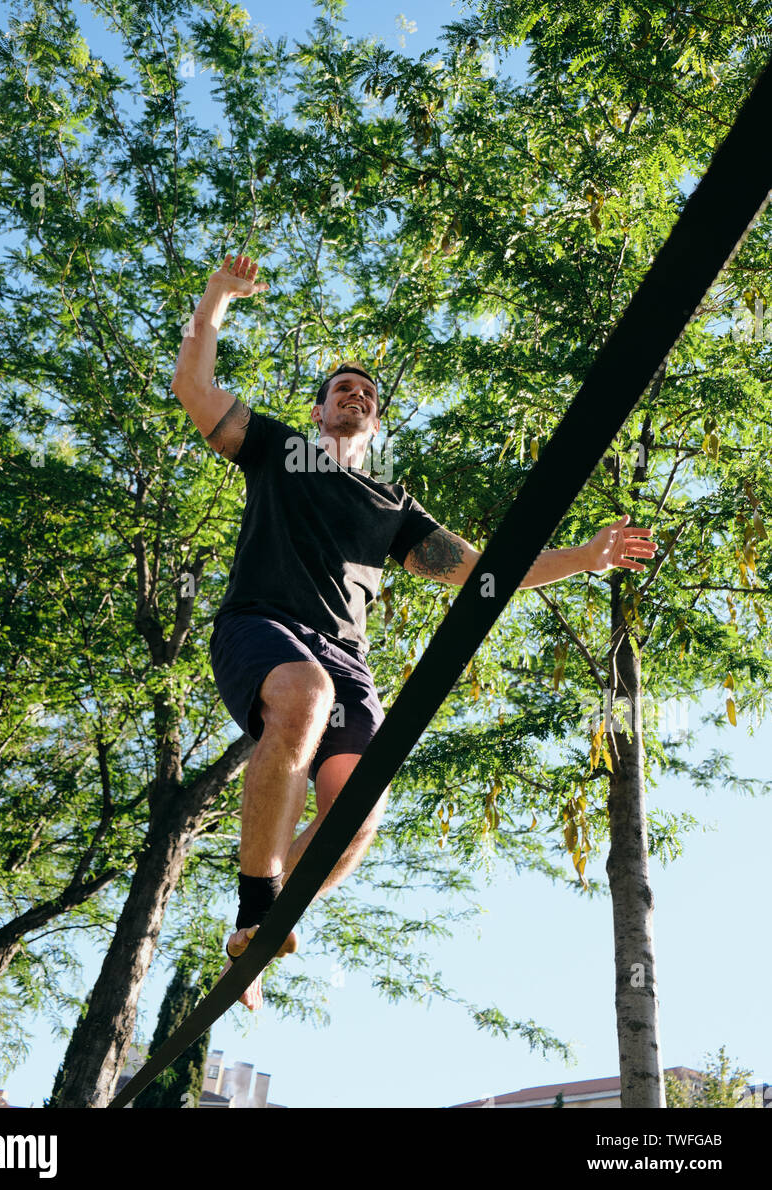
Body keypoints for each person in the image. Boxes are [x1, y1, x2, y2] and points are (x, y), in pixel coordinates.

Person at [171, 252, 656, 1010]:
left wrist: (584, 559)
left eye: (366, 393)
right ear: (318, 412)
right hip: (262, 629)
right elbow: (193, 388)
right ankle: (255, 902)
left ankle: (258, 938)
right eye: (341, 389)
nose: (355, 396)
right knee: (303, 693)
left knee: (362, 809)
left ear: (376, 418)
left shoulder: (392, 504)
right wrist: (218, 295)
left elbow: (486, 575)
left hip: (346, 659)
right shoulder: (276, 449)